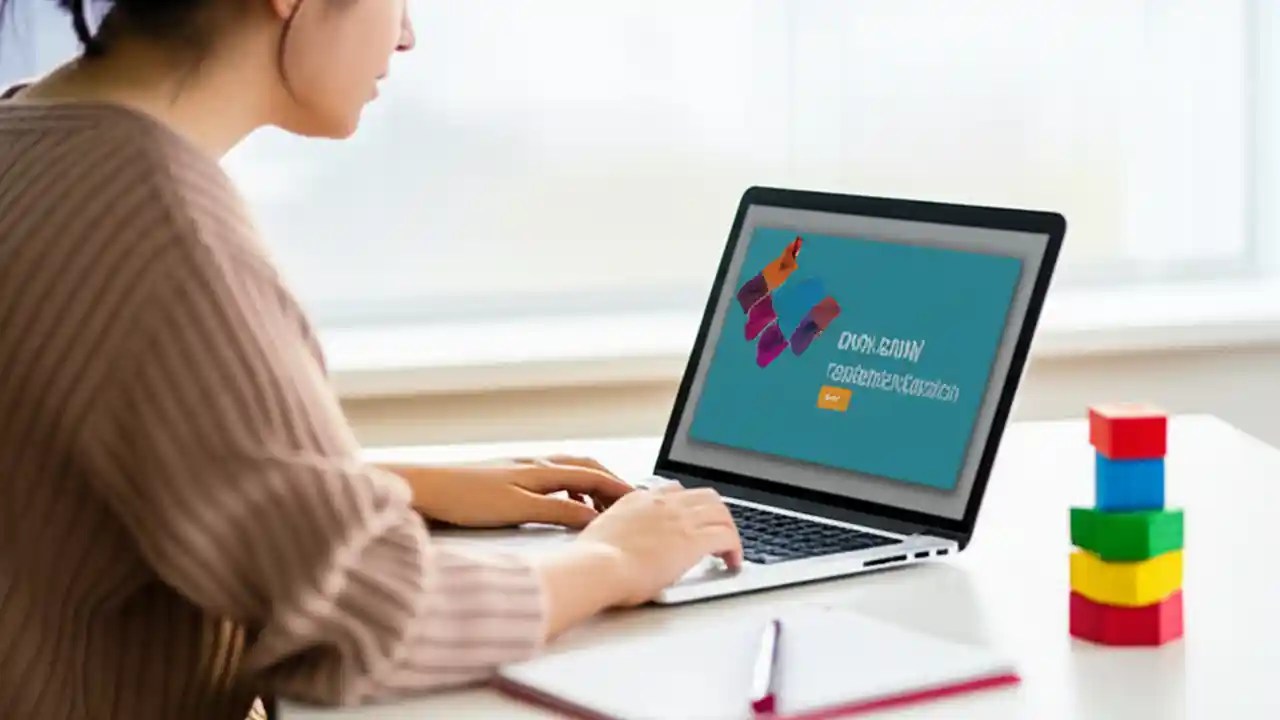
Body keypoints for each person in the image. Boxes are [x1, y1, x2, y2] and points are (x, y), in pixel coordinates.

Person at [0, 1, 744, 718]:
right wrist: (614, 561)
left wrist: (381, 486)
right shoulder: (157, 217)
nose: (408, 35)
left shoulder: (29, 136)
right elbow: (364, 621)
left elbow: (76, 478)